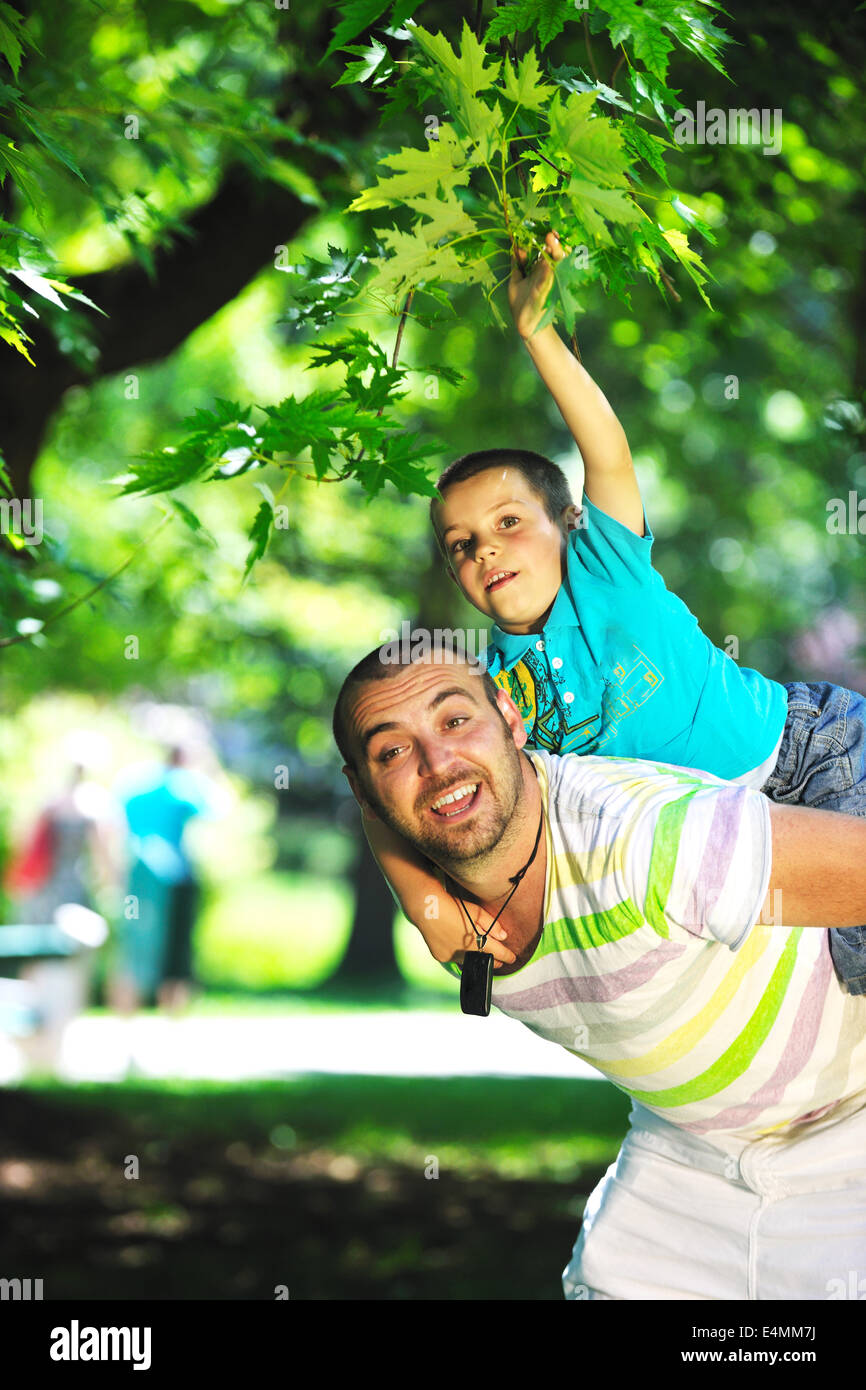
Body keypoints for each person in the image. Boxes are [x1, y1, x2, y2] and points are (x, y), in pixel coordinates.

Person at [363, 228, 866, 997]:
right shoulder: (496, 686)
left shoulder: (607, 570)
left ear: (567, 524)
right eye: (461, 545)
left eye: (507, 524)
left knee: (859, 957)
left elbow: (608, 452)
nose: (484, 553)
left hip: (805, 758)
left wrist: (538, 336)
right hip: (713, 837)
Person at [333, 646, 866, 1299]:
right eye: (392, 752)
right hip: (692, 1153)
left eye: (454, 722)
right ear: (361, 787)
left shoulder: (649, 842)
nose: (438, 765)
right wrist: (423, 905)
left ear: (511, 714)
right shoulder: (445, 898)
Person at [109, 745, 219, 1016]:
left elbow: (113, 823)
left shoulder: (134, 783)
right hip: (176, 879)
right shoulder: (184, 785)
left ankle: (125, 1024)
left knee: (133, 948)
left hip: (137, 876)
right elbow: (217, 808)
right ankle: (171, 1023)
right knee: (176, 956)